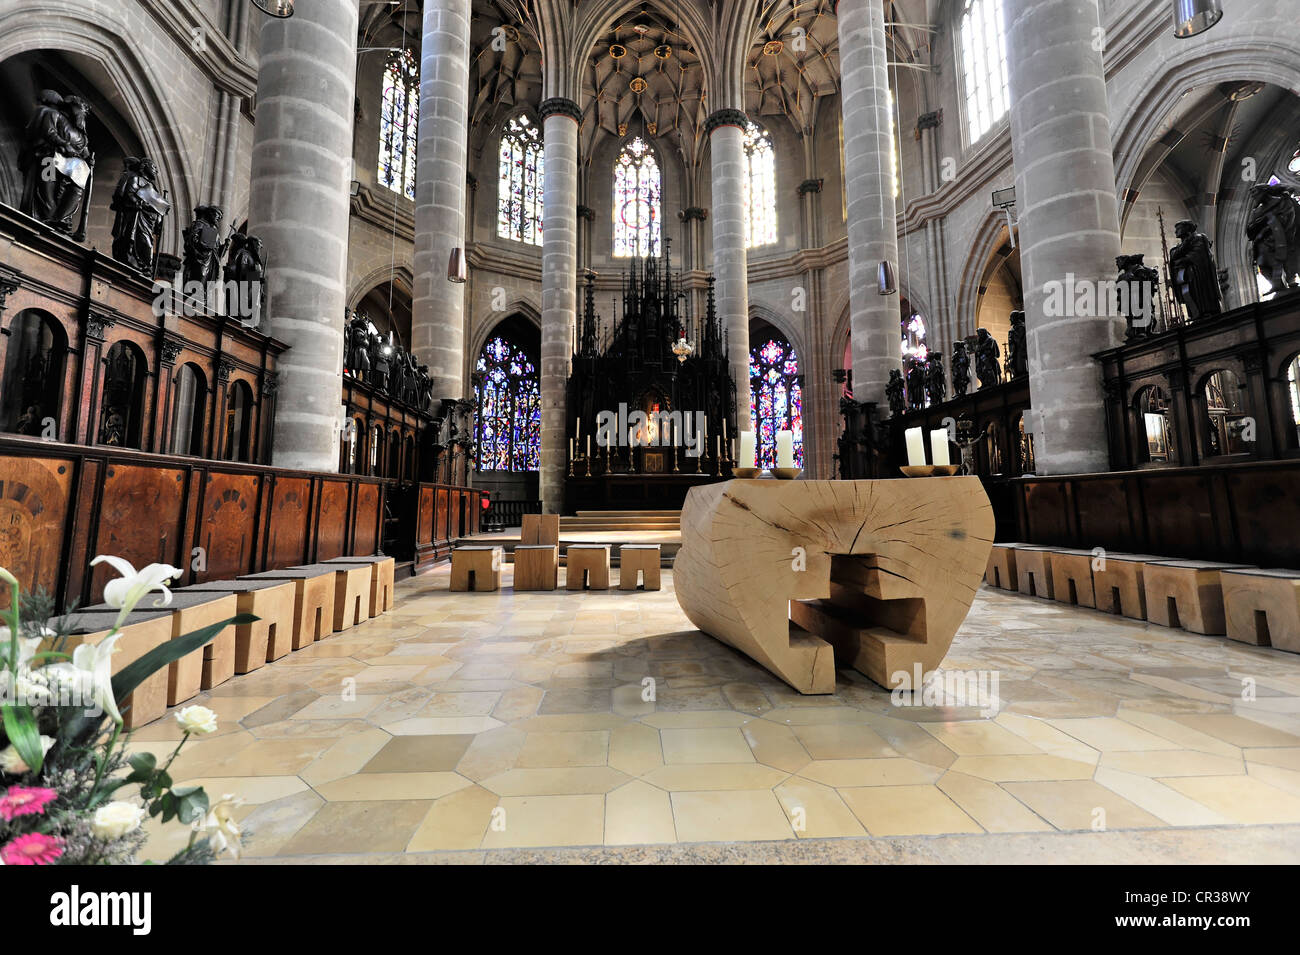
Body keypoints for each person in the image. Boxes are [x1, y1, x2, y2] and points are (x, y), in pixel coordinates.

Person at [110, 157, 170, 273]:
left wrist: (160, 215)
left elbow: (155, 204)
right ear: (144, 166)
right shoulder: (135, 179)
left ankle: (144, 266)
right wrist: (141, 204)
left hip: (148, 221)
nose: (156, 171)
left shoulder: (152, 187)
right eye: (153, 167)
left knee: (148, 242)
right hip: (136, 218)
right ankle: (137, 263)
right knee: (140, 241)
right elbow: (129, 194)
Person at [1169, 220, 1222, 321]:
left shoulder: (1200, 238)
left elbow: (1200, 253)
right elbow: (1174, 256)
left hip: (1199, 273)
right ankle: (1195, 314)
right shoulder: (1181, 245)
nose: (1176, 232)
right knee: (1190, 294)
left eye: (1178, 229)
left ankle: (1206, 311)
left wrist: (1185, 259)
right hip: (1187, 276)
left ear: (1186, 228)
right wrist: (1187, 242)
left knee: (1201, 292)